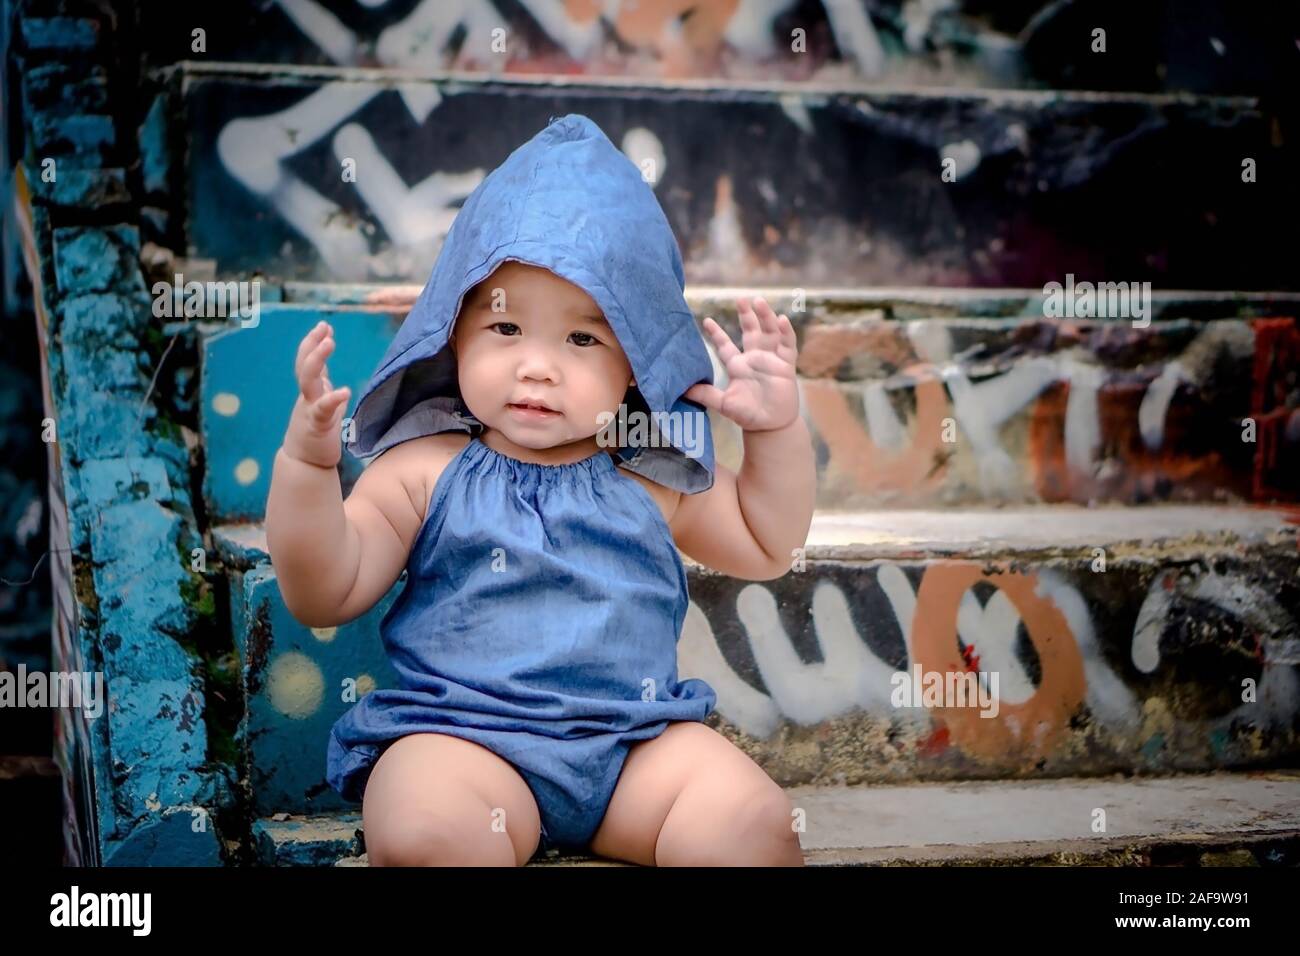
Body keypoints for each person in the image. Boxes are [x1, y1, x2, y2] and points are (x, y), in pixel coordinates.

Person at [266, 114, 815, 866]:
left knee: (754, 823)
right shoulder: (425, 468)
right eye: (505, 328)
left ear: (637, 369)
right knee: (427, 831)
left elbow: (765, 543)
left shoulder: (650, 473)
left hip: (633, 751)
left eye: (583, 338)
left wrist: (776, 433)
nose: (538, 367)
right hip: (464, 743)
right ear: (453, 331)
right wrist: (307, 468)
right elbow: (323, 591)